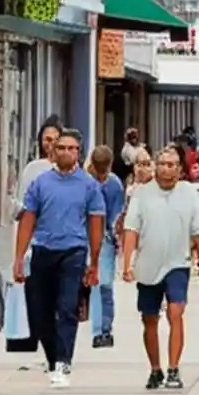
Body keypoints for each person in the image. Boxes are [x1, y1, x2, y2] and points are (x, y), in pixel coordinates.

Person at [13, 131, 104, 388]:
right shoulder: (40, 183)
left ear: (79, 152)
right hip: (43, 250)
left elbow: (96, 223)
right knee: (40, 313)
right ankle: (53, 358)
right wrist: (19, 257)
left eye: (71, 148)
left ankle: (64, 361)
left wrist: (94, 262)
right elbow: (28, 219)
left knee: (66, 308)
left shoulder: (89, 186)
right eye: (61, 148)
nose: (65, 152)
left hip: (73, 251)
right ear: (53, 152)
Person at [121, 145, 199, 391]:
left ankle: (173, 369)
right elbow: (131, 230)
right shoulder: (142, 194)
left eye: (171, 165)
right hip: (148, 265)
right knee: (149, 319)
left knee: (175, 312)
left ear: (180, 170)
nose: (166, 169)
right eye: (161, 164)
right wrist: (127, 263)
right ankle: (155, 369)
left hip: (177, 263)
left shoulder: (189, 194)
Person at [87, 145, 125, 349]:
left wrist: (116, 237)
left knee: (105, 284)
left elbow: (116, 214)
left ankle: (105, 329)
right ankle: (98, 330)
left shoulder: (114, 185)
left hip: (106, 240)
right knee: (96, 285)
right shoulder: (86, 183)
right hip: (87, 238)